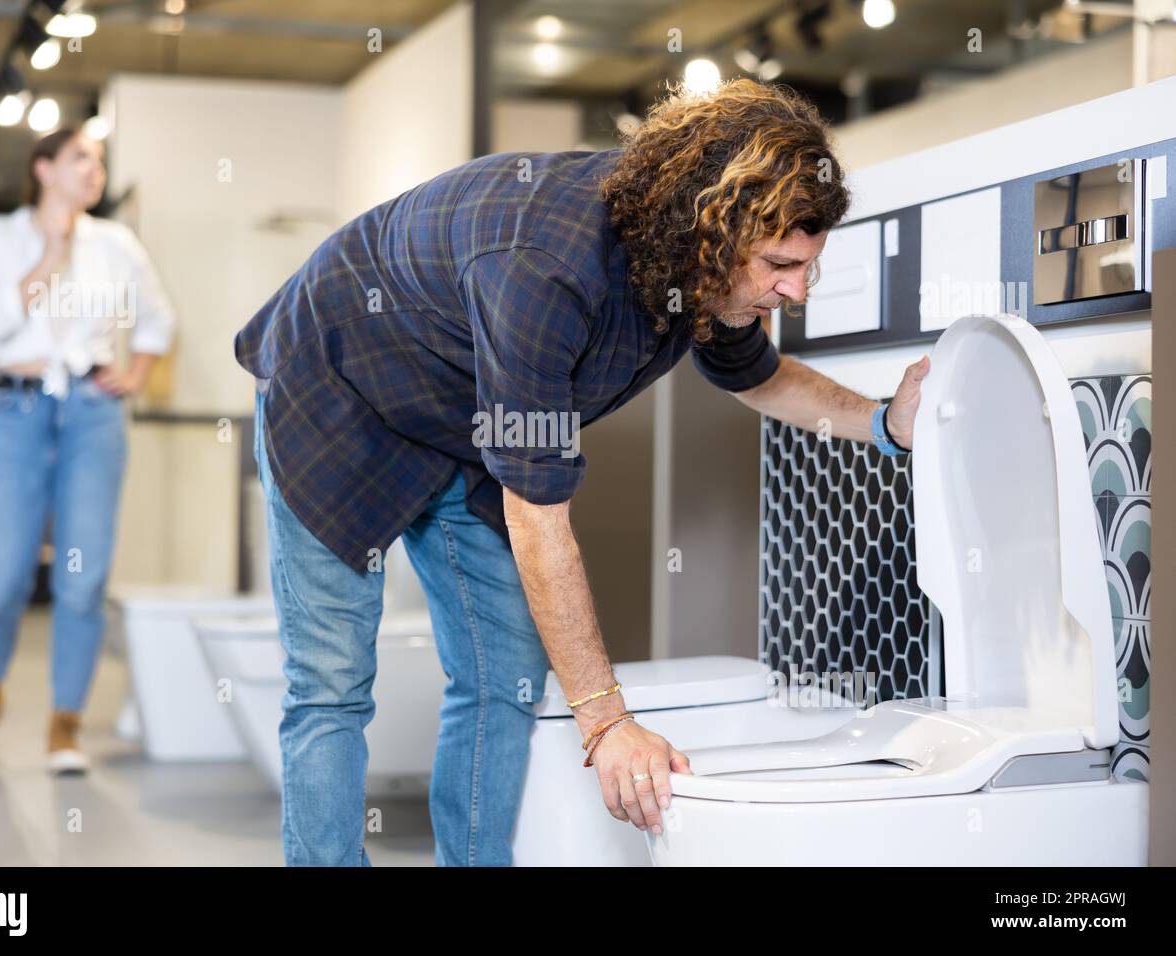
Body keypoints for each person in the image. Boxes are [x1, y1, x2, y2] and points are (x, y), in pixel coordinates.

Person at [234, 78, 928, 865]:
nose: (795, 289)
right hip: (337, 396)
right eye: (778, 264)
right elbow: (539, 517)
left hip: (463, 431)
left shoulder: (692, 268)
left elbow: (758, 377)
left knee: (505, 678)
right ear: (712, 226)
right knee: (331, 684)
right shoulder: (545, 267)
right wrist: (605, 721)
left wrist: (883, 422)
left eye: (805, 265)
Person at [0, 128, 176, 773]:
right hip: (17, 410)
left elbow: (159, 318)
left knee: (81, 580)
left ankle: (64, 724)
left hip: (92, 414)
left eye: (101, 160)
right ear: (43, 168)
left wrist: (134, 377)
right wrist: (52, 252)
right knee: (0, 578)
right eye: (81, 157)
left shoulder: (117, 243)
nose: (95, 170)